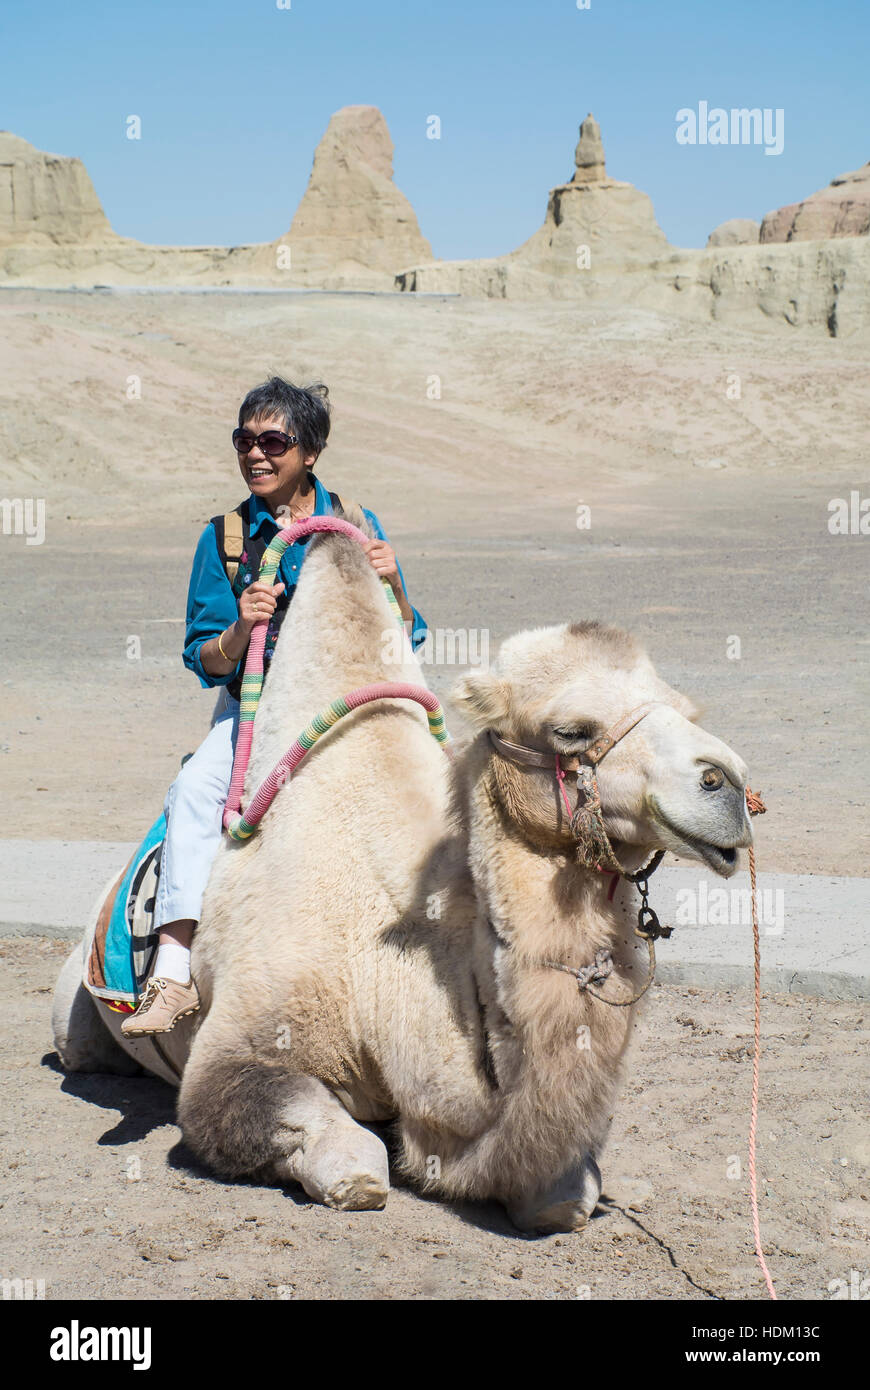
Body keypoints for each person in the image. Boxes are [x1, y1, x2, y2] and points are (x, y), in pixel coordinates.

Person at [122, 376, 427, 1036]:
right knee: (197, 789)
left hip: (345, 707)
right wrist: (239, 630)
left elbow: (409, 635)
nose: (255, 454)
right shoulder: (225, 539)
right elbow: (202, 658)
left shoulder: (356, 525)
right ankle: (172, 970)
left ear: (310, 452)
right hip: (255, 717)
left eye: (272, 441)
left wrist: (393, 582)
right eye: (244, 441)